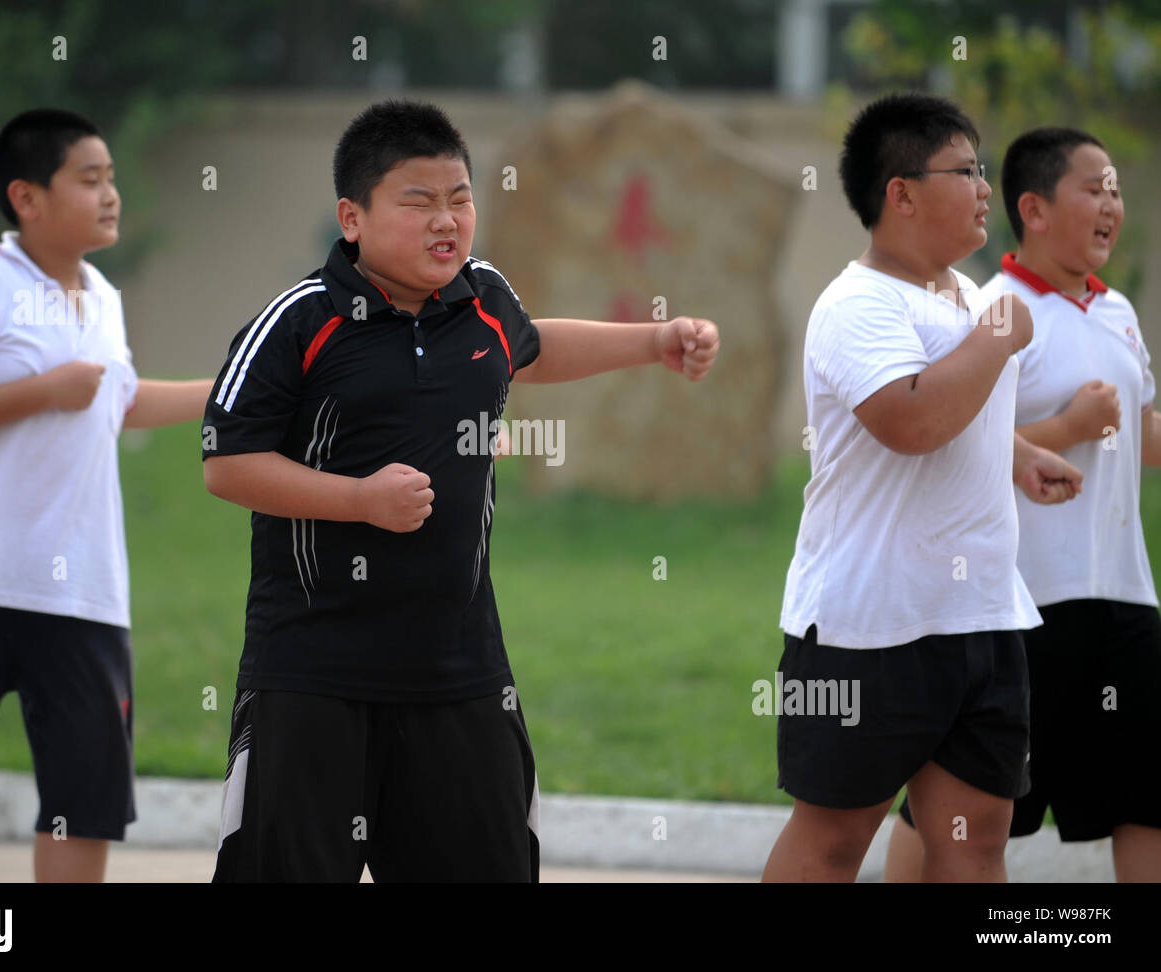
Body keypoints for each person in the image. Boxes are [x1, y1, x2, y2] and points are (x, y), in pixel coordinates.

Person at [203, 99, 720, 882]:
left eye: (460, 198)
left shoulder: (481, 296)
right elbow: (226, 465)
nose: (446, 220)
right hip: (311, 672)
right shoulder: (296, 322)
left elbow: (531, 350)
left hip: (460, 672)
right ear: (353, 217)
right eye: (418, 202)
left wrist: (654, 341)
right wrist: (358, 500)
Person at [0, 108, 213, 883]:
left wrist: (227, 393)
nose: (111, 194)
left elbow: (117, 402)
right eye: (90, 179)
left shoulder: (103, 296)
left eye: (111, 178)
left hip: (85, 599)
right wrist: (42, 392)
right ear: (27, 197)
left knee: (83, 799)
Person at [763, 93, 1083, 883]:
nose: (985, 189)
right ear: (900, 193)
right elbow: (909, 420)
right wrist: (1001, 335)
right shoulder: (856, 304)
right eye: (966, 170)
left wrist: (1014, 454)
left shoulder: (969, 297)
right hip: (865, 627)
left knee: (973, 844)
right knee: (834, 840)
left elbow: (951, 404)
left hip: (980, 618)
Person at [885, 128, 1161, 882]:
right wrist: (1069, 429)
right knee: (966, 804)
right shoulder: (993, 312)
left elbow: (1141, 435)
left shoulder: (1119, 312)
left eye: (1116, 190)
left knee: (1146, 797)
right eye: (1093, 189)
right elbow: (956, 440)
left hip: (1126, 594)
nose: (1112, 205)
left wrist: (1108, 428)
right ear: (1033, 208)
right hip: (1021, 602)